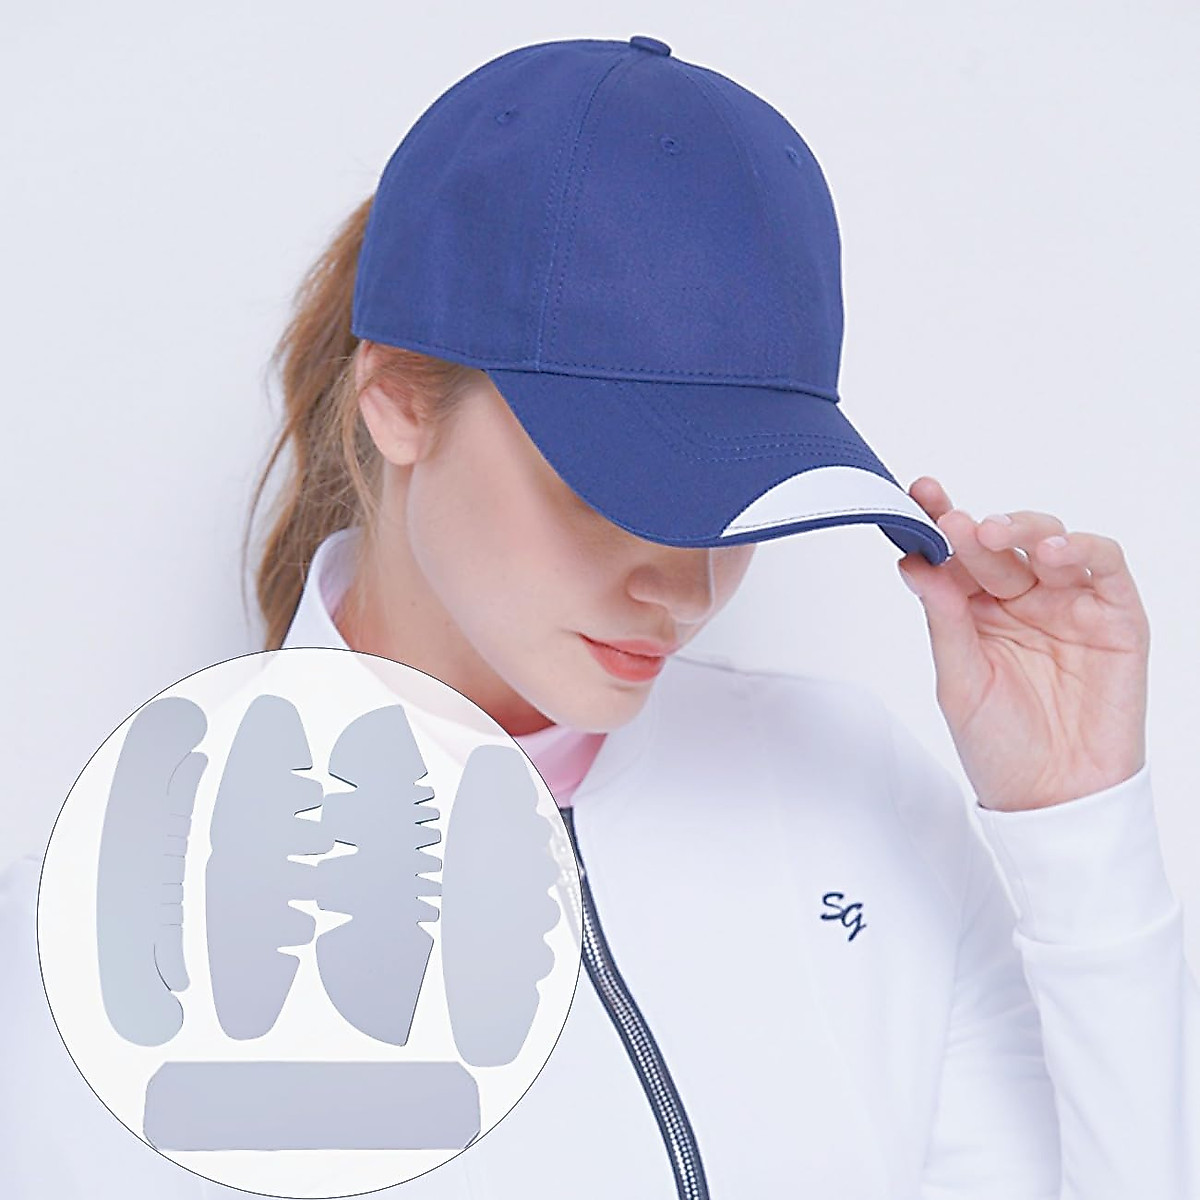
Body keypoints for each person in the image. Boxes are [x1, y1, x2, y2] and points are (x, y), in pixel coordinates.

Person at [2, 33, 1198, 1200]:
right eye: (612, 484)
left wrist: (1076, 825)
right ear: (400, 399)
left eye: (739, 503)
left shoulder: (853, 786)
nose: (683, 587)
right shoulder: (125, 934)